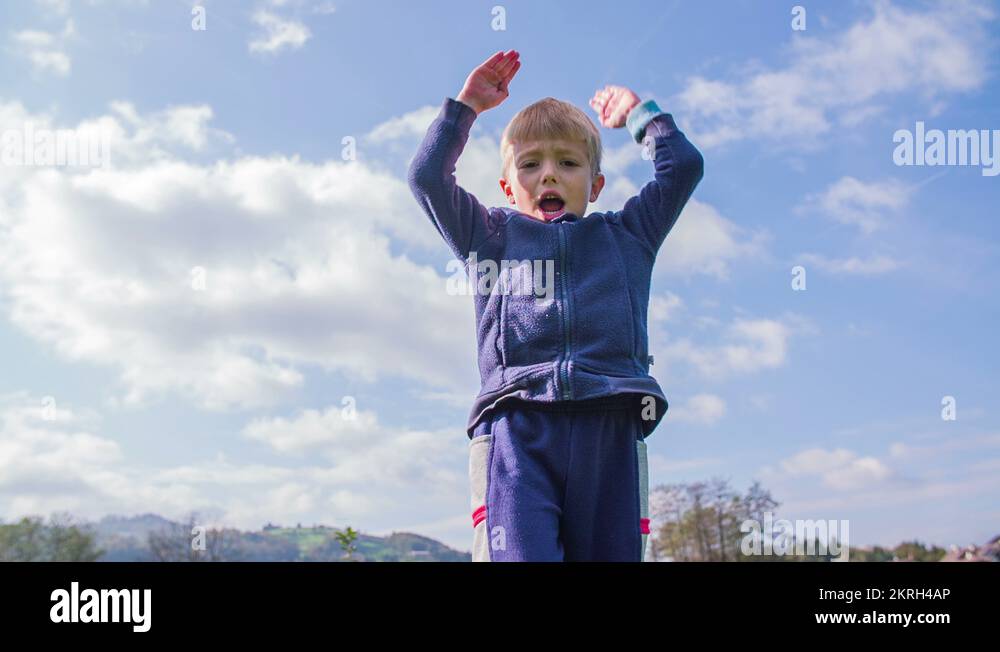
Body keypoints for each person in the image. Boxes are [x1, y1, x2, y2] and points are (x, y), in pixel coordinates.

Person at [407, 50, 704, 561]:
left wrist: (639, 113)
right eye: (530, 164)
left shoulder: (628, 236)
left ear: (595, 184)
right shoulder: (489, 238)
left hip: (610, 430)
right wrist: (467, 107)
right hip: (516, 431)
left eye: (568, 163)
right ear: (506, 186)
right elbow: (427, 178)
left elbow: (683, 169)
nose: (549, 175)